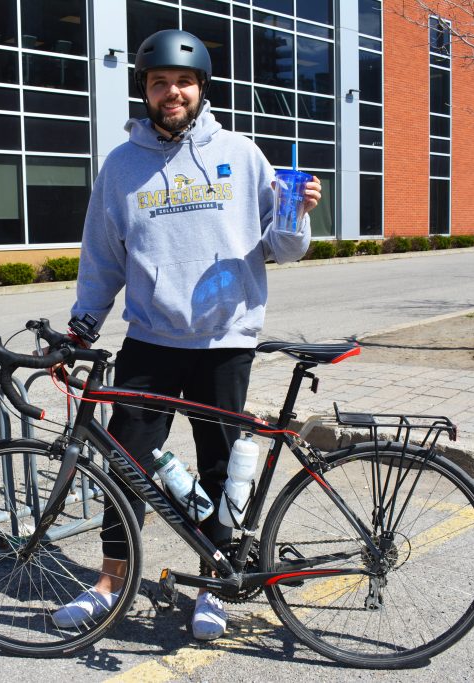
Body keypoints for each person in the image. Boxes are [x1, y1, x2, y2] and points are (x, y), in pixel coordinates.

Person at [53, 29, 321, 641]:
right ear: (145, 90)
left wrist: (299, 215)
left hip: (225, 341)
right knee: (125, 466)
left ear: (201, 88)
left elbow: (282, 248)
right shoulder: (121, 167)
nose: (171, 92)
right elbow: (103, 256)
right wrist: (83, 325)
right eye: (159, 83)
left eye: (183, 82)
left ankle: (214, 583)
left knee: (222, 468)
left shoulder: (242, 154)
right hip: (151, 339)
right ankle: (109, 583)